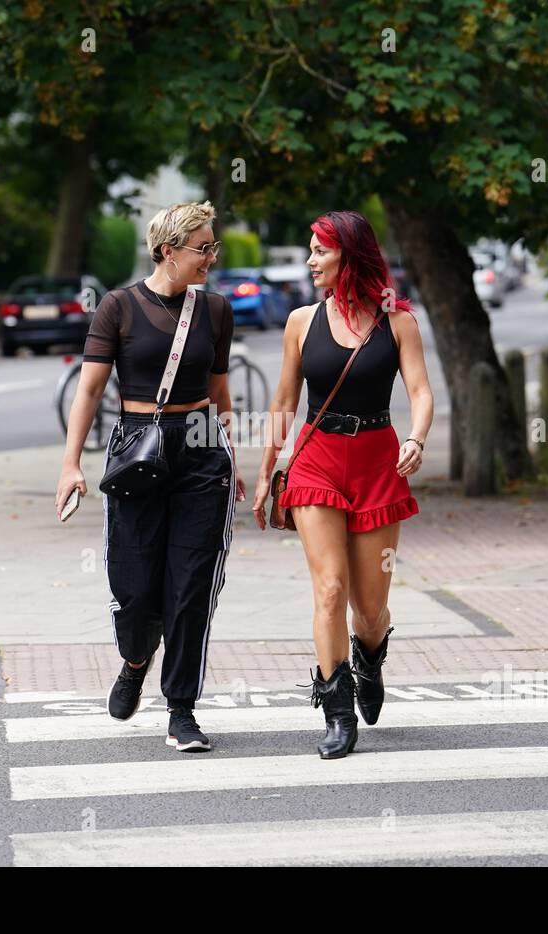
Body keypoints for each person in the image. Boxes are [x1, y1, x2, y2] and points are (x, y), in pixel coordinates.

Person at [55, 200, 244, 753]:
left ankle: (181, 709)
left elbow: (220, 392)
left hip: (201, 450)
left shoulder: (216, 310)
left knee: (192, 587)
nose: (212, 257)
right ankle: (136, 659)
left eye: (213, 246)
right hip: (138, 447)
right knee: (134, 585)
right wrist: (71, 464)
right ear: (168, 250)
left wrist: (231, 457)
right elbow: (90, 390)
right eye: (203, 247)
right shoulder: (118, 307)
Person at [252, 211, 434, 758]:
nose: (310, 261)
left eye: (319, 251)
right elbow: (284, 401)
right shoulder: (300, 322)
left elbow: (421, 392)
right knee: (330, 589)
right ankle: (336, 707)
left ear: (349, 256)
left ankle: (369, 658)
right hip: (317, 462)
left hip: (378, 463)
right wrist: (265, 472)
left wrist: (417, 438)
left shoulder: (397, 322)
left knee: (370, 609)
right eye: (310, 250)